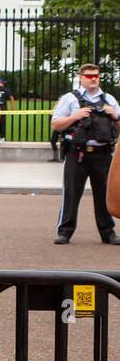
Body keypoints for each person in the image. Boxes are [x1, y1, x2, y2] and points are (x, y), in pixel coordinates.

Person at [50, 63, 120, 245]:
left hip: (103, 154)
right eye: (89, 76)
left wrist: (116, 116)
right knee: (71, 193)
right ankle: (65, 232)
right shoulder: (69, 99)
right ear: (81, 78)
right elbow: (56, 124)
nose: (93, 79)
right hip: (77, 154)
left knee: (104, 195)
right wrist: (75, 116)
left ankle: (108, 232)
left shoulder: (109, 99)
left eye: (96, 75)